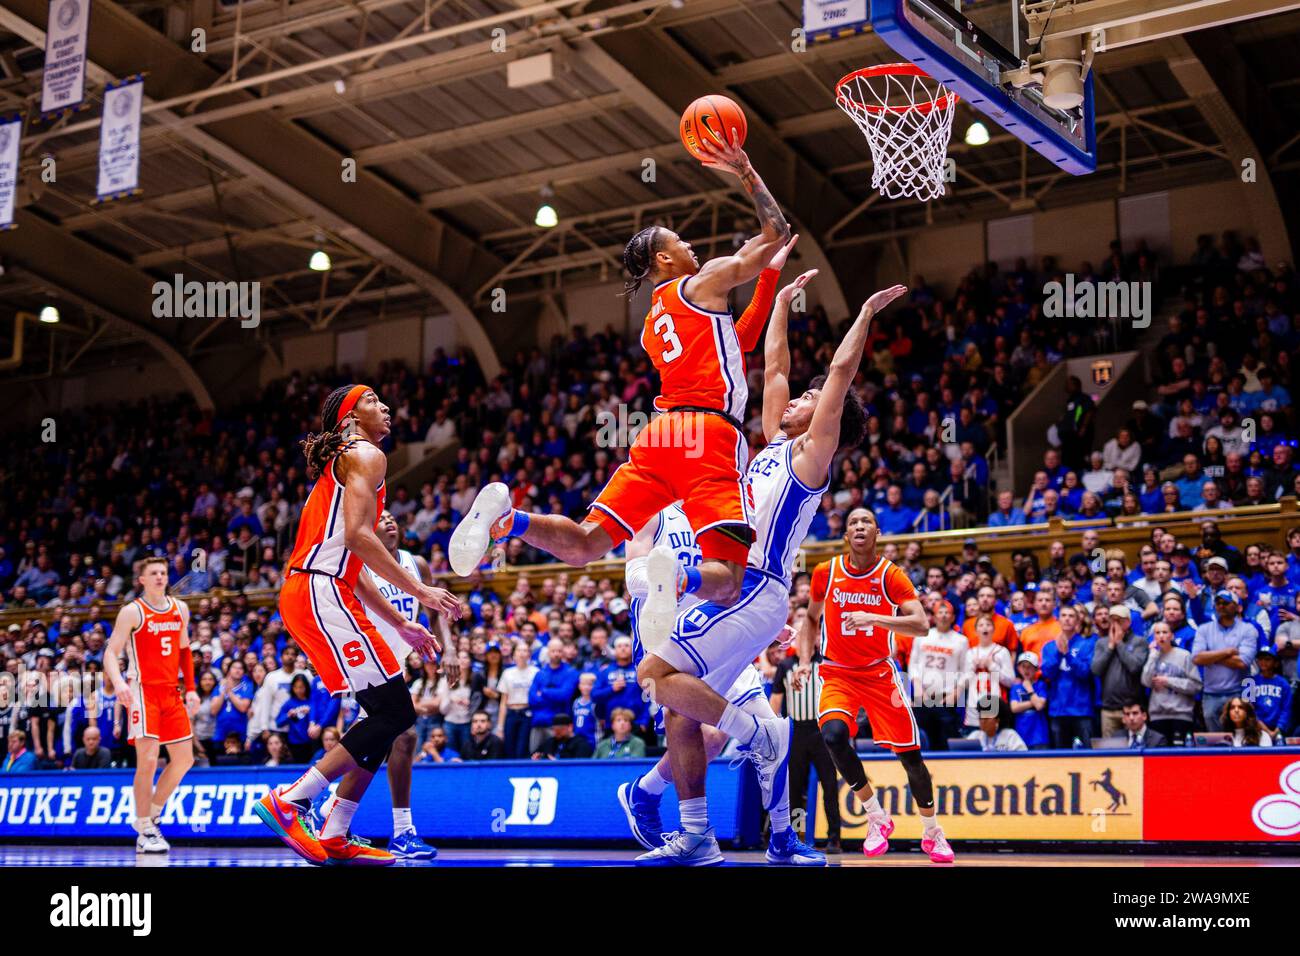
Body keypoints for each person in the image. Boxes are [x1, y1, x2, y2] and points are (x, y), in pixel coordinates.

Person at [450, 132, 796, 653]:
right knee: (727, 576)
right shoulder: (702, 284)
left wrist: (767, 280)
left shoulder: (652, 323)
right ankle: (678, 578)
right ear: (662, 259)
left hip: (660, 435)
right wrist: (744, 168)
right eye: (679, 242)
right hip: (708, 435)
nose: (691, 246)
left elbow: (735, 341)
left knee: (589, 543)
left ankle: (508, 520)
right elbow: (777, 228)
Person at [640, 280, 909, 867]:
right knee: (676, 709)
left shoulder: (813, 456)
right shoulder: (768, 446)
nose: (793, 400)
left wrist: (862, 312)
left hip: (753, 589)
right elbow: (777, 366)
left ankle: (761, 736)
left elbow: (837, 376)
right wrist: (782, 303)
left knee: (654, 675)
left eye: (806, 402)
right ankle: (700, 835)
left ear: (824, 421)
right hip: (730, 591)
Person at [258, 385, 459, 867]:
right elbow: (359, 538)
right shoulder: (366, 453)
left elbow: (358, 564)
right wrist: (422, 591)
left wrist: (404, 624)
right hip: (319, 588)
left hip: (325, 588)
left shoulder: (351, 459)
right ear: (350, 417)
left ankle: (335, 831)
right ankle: (292, 801)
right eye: (372, 401)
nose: (385, 407)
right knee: (395, 715)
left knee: (385, 716)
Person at [615, 500, 812, 865]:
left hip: (717, 630)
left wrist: (768, 625)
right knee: (706, 735)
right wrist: (665, 581)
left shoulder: (717, 510)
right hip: (668, 640)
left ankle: (784, 837)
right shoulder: (654, 509)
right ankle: (649, 794)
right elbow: (633, 577)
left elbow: (727, 581)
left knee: (763, 730)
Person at [800, 508, 954, 863]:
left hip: (879, 674)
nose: (858, 526)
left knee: (911, 758)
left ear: (877, 532)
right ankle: (876, 816)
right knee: (835, 736)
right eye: (852, 522)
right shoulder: (826, 572)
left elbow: (920, 625)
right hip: (837, 672)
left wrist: (874, 617)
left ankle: (932, 831)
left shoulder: (891, 575)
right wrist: (806, 662)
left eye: (865, 521)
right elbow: (810, 616)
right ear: (845, 536)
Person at [102, 556, 199, 854]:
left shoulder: (180, 608)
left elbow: (184, 652)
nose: (160, 576)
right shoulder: (132, 612)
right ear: (142, 579)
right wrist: (118, 683)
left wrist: (192, 689)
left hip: (171, 692)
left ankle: (151, 815)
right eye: (153, 573)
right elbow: (110, 652)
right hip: (142, 691)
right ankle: (145, 828)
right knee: (147, 759)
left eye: (163, 572)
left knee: (184, 759)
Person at [770, 645, 842, 853]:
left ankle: (834, 837)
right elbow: (775, 699)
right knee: (794, 787)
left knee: (829, 785)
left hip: (822, 730)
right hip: (796, 731)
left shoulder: (825, 662)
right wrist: (771, 731)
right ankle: (794, 835)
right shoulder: (785, 665)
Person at [1191, 590, 1257, 731]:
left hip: (1242, 690)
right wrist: (1226, 652)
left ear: (1237, 607)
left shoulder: (1248, 629)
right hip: (1211, 691)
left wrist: (1209, 656)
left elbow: (1242, 662)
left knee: (1243, 732)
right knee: (1216, 739)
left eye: (1226, 603)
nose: (1221, 606)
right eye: (1218, 603)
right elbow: (1196, 658)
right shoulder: (1204, 629)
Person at [907, 599, 967, 751]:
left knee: (945, 743)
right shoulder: (921, 636)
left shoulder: (961, 640)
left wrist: (957, 691)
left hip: (946, 698)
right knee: (921, 740)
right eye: (940, 613)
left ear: (953, 617)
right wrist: (917, 687)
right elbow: (913, 664)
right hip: (923, 696)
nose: (944, 616)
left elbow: (965, 670)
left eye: (947, 613)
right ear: (933, 616)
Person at [1040, 605, 1097, 748]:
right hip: (1058, 709)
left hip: (1081, 710)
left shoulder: (1087, 644)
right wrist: (1059, 654)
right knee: (1060, 758)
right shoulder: (1049, 647)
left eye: (1071, 616)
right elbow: (1048, 674)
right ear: (1058, 620)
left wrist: (1068, 655)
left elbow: (1085, 673)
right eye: (1064, 616)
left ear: (1077, 621)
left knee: (1085, 757)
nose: (1067, 619)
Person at [1091, 604, 1150, 737]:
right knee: (1110, 753)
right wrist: (1110, 647)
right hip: (1108, 708)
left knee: (1134, 748)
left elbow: (1134, 667)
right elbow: (1095, 670)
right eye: (1113, 620)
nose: (1115, 624)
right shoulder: (1101, 643)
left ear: (1128, 622)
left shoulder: (1139, 642)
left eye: (1120, 620)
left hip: (1132, 709)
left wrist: (1119, 644)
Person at [1140, 621, 1201, 745]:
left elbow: (1196, 685)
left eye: (1165, 632)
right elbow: (1145, 682)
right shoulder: (1152, 656)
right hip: (1157, 715)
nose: (1161, 636)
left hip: (1181, 715)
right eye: (1158, 633)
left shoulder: (1184, 655)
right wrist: (1152, 656)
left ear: (1171, 636)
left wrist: (1168, 681)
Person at [496, 643, 538, 758]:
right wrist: (500, 727)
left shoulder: (535, 672)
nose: (522, 653)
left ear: (529, 654)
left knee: (522, 748)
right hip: (511, 712)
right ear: (514, 654)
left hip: (527, 712)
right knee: (509, 748)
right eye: (519, 650)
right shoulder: (507, 673)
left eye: (525, 651)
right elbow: (503, 702)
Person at [1008, 652, 1049, 749]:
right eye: (1023, 666)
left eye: (1029, 667)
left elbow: (1039, 706)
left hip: (1039, 737)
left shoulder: (1041, 685)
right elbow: (1014, 708)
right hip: (1021, 736)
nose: (1026, 670)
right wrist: (1034, 702)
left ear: (1036, 669)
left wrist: (1030, 689)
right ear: (1018, 668)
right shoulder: (1016, 687)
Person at [1249, 648, 1292, 740]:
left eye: (1267, 659)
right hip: (1257, 727)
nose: (1263, 662)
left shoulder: (1284, 684)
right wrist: (1265, 730)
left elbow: (1286, 709)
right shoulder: (1250, 682)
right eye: (1260, 659)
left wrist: (1278, 729)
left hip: (1278, 729)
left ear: (1276, 663)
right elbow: (1250, 709)